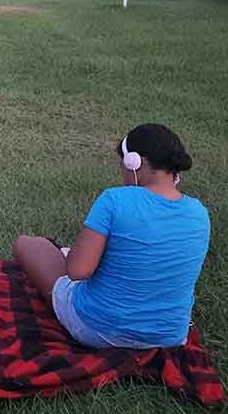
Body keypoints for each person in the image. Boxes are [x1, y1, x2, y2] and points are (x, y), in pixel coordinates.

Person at [12, 124, 210, 349]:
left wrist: (76, 256)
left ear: (135, 162)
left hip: (99, 330)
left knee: (28, 245)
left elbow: (77, 271)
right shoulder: (199, 213)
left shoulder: (115, 200)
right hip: (169, 337)